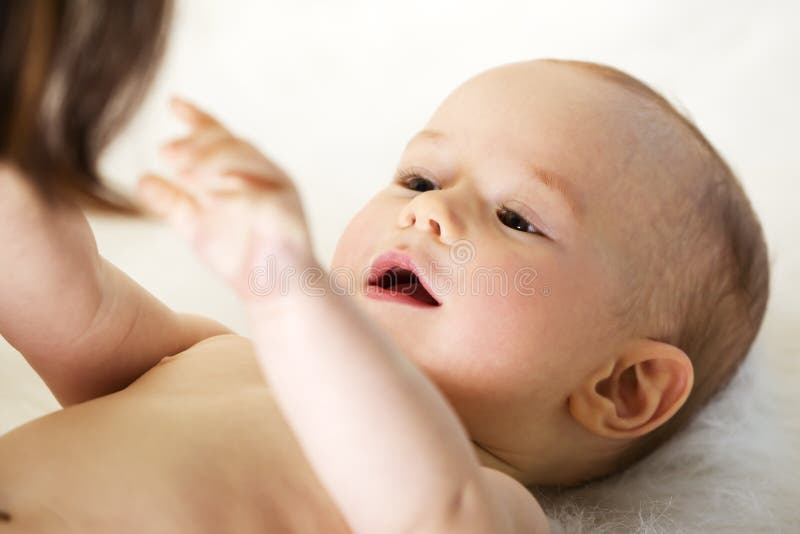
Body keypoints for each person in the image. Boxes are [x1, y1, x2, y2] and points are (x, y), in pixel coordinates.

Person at [0, 19, 768, 531]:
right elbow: (80, 317)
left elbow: (424, 510)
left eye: (517, 219)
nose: (429, 216)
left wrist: (285, 288)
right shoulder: (223, 355)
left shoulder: (479, 495)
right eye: (420, 180)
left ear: (618, 389)